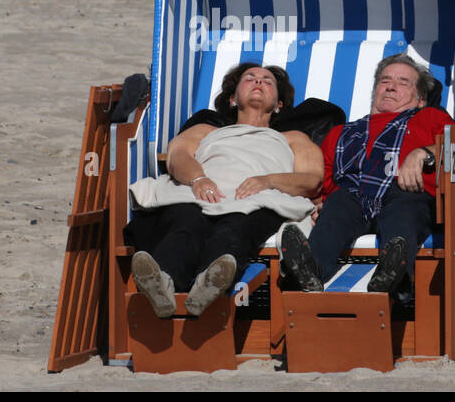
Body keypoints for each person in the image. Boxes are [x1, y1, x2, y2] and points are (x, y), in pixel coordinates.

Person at [126, 63, 324, 318]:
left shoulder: (293, 138)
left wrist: (268, 180)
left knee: (237, 226)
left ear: (279, 105)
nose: (258, 82)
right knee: (186, 221)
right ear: (232, 99)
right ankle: (162, 282)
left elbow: (311, 179)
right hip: (201, 191)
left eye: (268, 81)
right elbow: (177, 157)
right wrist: (198, 179)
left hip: (259, 197)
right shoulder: (206, 130)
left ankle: (207, 285)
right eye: (249, 78)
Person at [279, 54, 455, 297]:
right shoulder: (341, 133)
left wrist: (424, 152)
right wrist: (317, 204)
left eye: (403, 82)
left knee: (403, 210)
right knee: (338, 204)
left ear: (421, 99)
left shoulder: (431, 118)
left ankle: (393, 275)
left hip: (405, 193)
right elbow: (322, 184)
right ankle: (308, 271)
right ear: (375, 90)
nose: (391, 86)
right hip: (351, 197)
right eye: (385, 81)